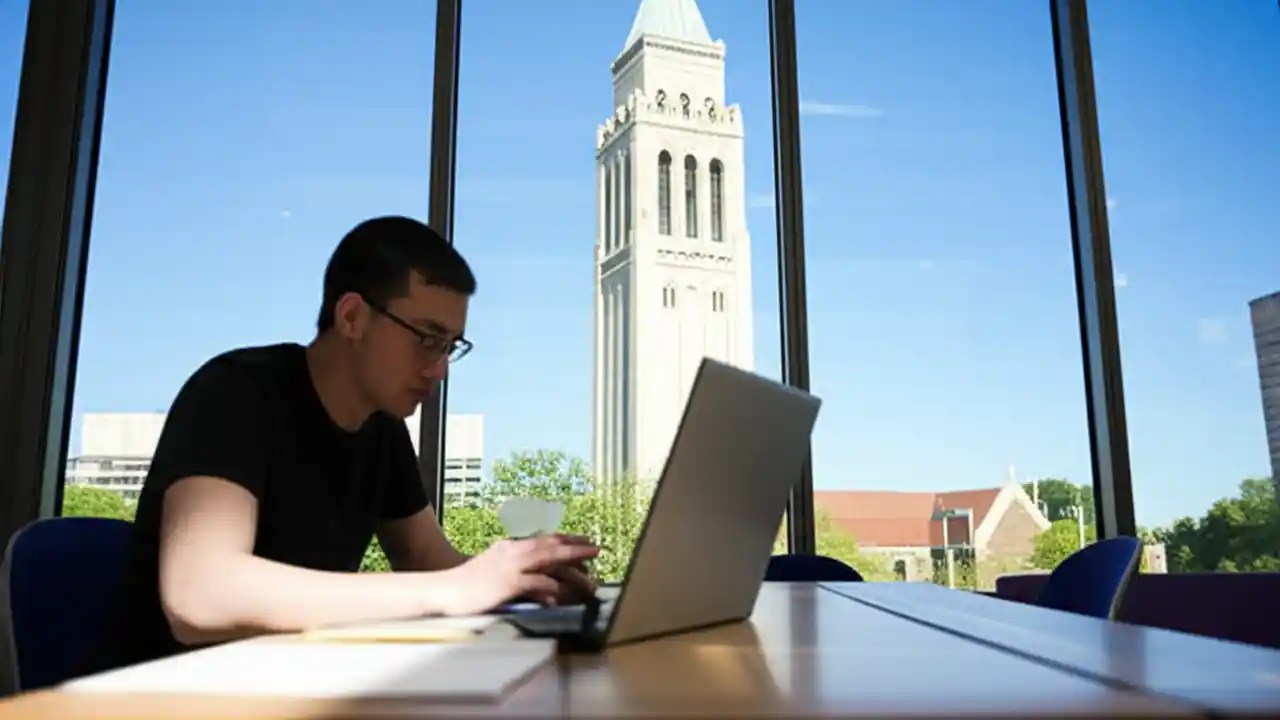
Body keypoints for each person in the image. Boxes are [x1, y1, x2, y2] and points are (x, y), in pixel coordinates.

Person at [85, 216, 598, 674]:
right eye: (427, 337)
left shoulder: (383, 429)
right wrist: (457, 590)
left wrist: (525, 575)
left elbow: (427, 561)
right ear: (351, 317)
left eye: (450, 347)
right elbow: (200, 595)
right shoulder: (237, 392)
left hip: (290, 690)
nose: (440, 369)